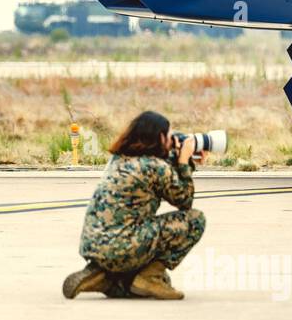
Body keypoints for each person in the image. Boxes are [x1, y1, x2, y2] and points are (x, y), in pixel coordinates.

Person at [62, 111, 206, 300]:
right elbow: (184, 200)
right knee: (195, 220)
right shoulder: (156, 167)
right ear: (159, 137)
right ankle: (148, 277)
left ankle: (102, 276)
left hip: (94, 245)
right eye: (169, 136)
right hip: (122, 246)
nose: (172, 140)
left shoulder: (119, 158)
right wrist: (184, 162)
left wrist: (184, 161)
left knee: (148, 286)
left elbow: (158, 170)